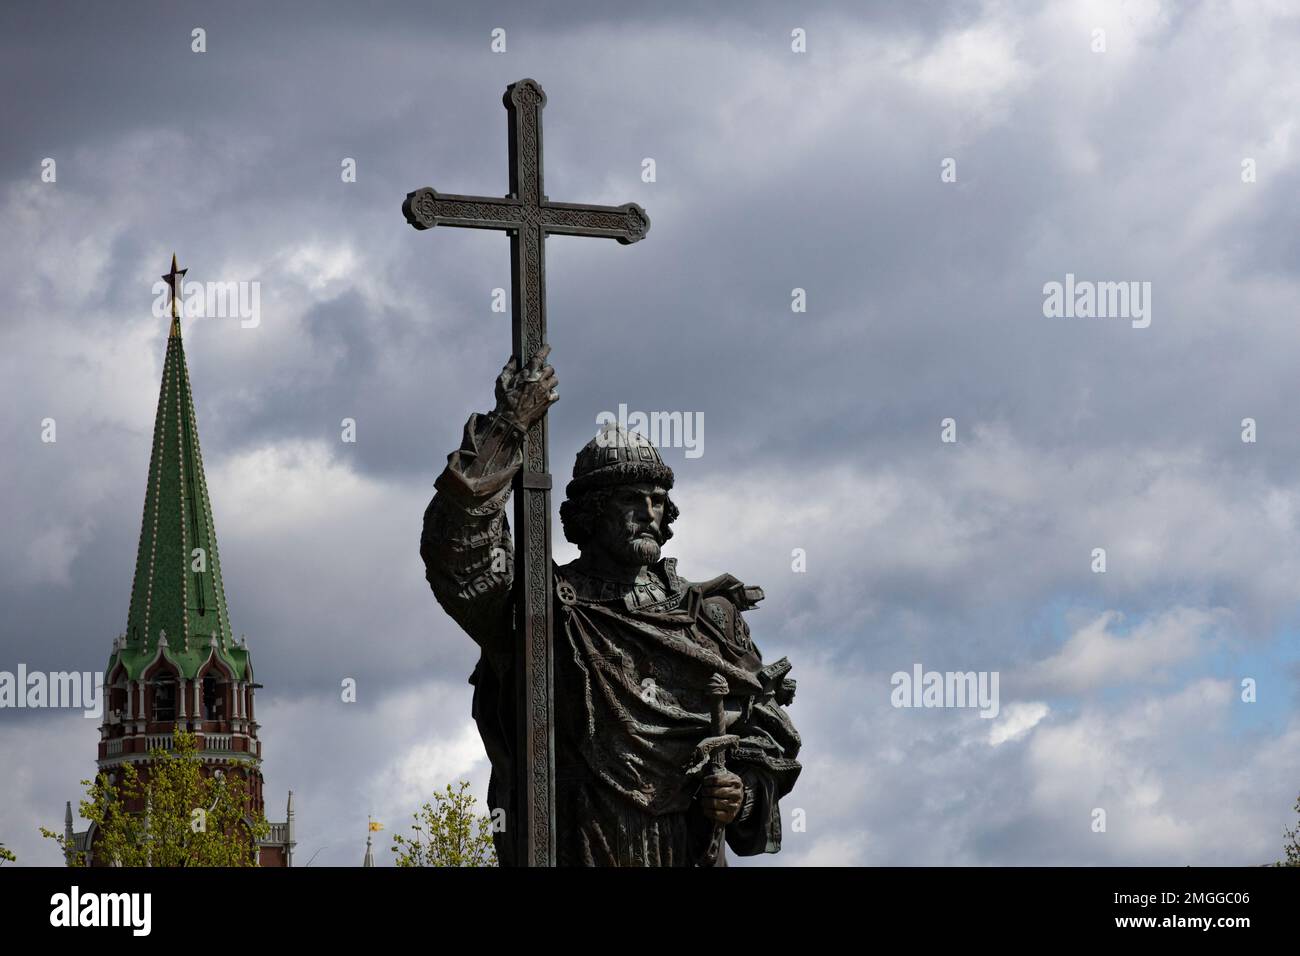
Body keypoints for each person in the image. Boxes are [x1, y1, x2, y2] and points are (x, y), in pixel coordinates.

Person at [421, 346, 801, 865]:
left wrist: (743, 795)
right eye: (630, 499)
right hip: (577, 842)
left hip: (681, 851)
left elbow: (764, 735)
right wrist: (507, 428)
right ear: (591, 514)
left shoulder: (708, 620)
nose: (648, 512)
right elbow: (460, 556)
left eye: (657, 500)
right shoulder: (542, 610)